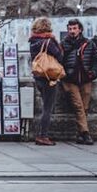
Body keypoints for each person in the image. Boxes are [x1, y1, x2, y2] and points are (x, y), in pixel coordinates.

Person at [61, 18, 97, 145]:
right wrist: (65, 74)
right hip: (70, 79)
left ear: (80, 29)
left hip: (85, 78)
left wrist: (93, 73)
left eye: (74, 28)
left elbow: (96, 60)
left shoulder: (89, 44)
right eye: (70, 29)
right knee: (78, 106)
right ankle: (86, 134)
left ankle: (80, 134)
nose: (72, 31)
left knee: (85, 107)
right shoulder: (64, 44)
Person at [28, 17, 64, 146]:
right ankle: (43, 136)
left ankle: (40, 134)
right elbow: (60, 56)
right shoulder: (49, 41)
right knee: (48, 108)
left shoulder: (33, 41)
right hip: (49, 78)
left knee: (45, 107)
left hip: (38, 77)